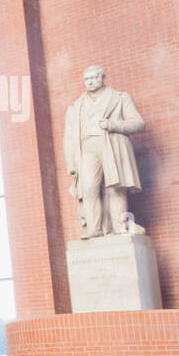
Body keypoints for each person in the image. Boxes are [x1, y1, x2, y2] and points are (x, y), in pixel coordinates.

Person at [63, 65, 145, 238]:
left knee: (116, 187)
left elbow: (138, 123)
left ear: (103, 78)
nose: (90, 82)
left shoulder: (120, 98)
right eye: (87, 79)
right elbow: (69, 137)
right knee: (88, 188)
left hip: (111, 144)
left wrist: (113, 124)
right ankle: (95, 228)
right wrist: (71, 163)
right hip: (86, 149)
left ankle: (119, 226)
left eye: (94, 78)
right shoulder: (75, 107)